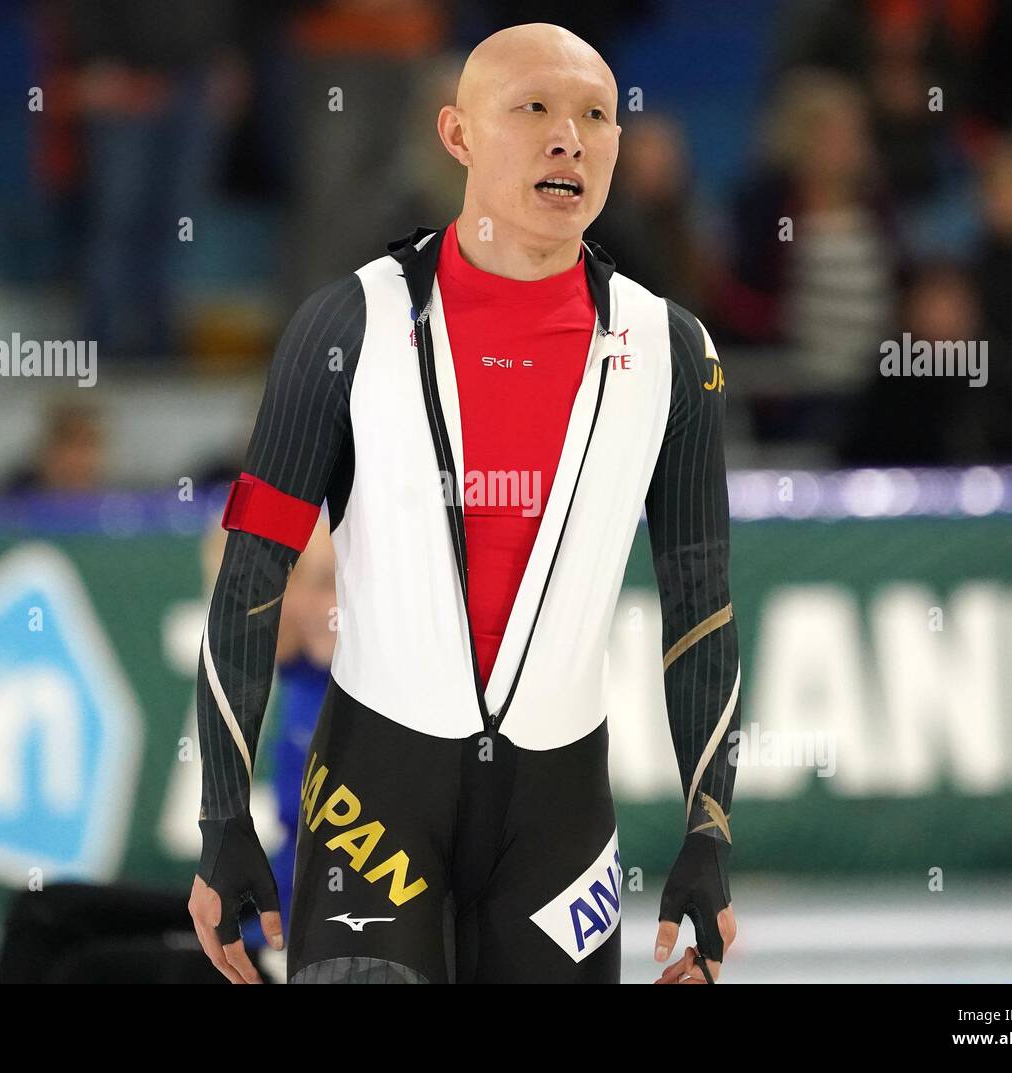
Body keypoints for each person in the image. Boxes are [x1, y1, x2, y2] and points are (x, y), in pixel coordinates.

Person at [190, 22, 741, 985]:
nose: (568, 137)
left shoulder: (669, 352)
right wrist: (223, 820)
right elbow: (249, 576)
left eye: (596, 116)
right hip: (373, 807)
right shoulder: (347, 325)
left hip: (559, 828)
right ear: (457, 136)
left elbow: (701, 605)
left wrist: (709, 836)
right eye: (533, 108)